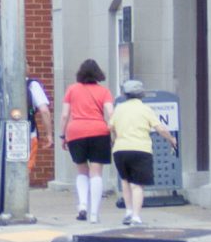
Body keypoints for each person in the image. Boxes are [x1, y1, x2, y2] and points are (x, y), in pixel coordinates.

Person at [60, 60, 115, 223]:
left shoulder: (71, 89)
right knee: (96, 172)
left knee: (82, 170)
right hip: (99, 130)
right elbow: (111, 113)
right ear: (98, 73)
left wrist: (62, 136)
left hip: (75, 131)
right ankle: (94, 213)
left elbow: (64, 115)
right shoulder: (104, 91)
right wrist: (113, 133)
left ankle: (82, 205)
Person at [106, 79, 161, 228]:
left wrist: (113, 141)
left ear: (125, 94)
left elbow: (110, 128)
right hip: (140, 149)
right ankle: (136, 216)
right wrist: (171, 139)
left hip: (120, 150)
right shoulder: (145, 109)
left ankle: (128, 212)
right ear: (141, 94)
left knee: (125, 182)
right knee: (137, 185)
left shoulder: (119, 108)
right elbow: (159, 127)